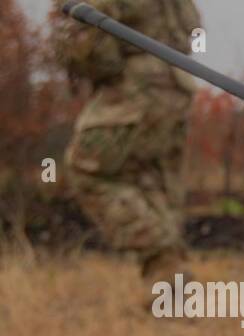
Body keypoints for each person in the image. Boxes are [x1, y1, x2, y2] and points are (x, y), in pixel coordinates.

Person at [54, 0, 202, 289]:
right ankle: (169, 283)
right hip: (177, 85)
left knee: (87, 170)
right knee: (153, 182)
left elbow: (97, 55)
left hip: (136, 91)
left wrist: (72, 51)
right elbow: (192, 31)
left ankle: (162, 256)